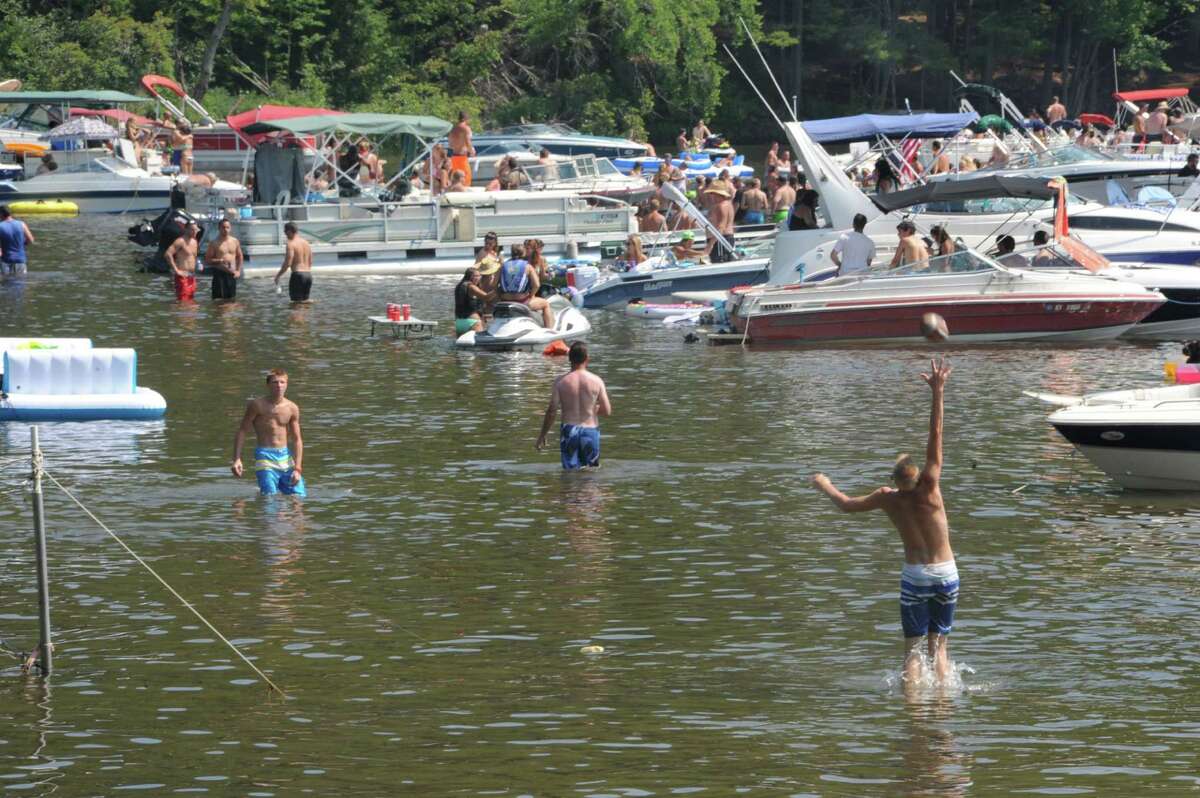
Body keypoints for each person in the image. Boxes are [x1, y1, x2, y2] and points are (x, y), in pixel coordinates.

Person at [811, 357, 957, 684]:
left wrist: (824, 484)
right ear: (919, 475)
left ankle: (914, 714)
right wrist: (938, 391)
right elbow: (936, 434)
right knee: (939, 648)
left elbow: (846, 505)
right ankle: (943, 707)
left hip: (915, 576)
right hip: (946, 572)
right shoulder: (930, 489)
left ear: (892, 479)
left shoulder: (887, 499)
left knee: (912, 651)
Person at [536, 341, 612, 470]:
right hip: (590, 430)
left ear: (569, 358)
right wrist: (592, 409)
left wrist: (542, 435)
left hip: (569, 431)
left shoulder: (560, 382)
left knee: (569, 473)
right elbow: (607, 411)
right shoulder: (597, 381)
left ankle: (570, 490)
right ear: (587, 359)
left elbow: (551, 411)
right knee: (591, 472)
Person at [231, 368, 306, 497]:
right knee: (270, 498)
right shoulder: (257, 405)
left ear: (287, 384)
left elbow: (297, 439)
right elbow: (242, 431)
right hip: (265, 456)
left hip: (285, 457)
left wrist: (298, 468)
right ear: (268, 385)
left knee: (298, 497)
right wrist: (237, 459)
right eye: (275, 382)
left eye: (282, 382)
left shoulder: (292, 408)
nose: (279, 386)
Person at [498, 243, 553, 328]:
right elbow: (537, 285)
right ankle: (550, 331)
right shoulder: (527, 266)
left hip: (505, 301)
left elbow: (495, 285)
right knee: (545, 304)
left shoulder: (503, 266)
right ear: (523, 253)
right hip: (522, 301)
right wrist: (531, 295)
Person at [273, 222, 314, 301]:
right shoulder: (306, 243)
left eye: (285, 232)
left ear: (289, 231)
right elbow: (310, 260)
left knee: (296, 305)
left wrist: (278, 275)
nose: (285, 234)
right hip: (308, 275)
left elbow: (288, 262)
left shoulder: (291, 244)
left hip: (298, 275)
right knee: (305, 302)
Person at [204, 217, 243, 300]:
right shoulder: (214, 243)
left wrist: (238, 271)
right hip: (220, 274)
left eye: (227, 227)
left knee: (231, 300)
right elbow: (207, 260)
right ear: (219, 228)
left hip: (232, 274)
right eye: (223, 227)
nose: (225, 229)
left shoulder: (235, 241)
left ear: (230, 228)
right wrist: (220, 260)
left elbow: (240, 256)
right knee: (220, 302)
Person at [163, 219, 199, 300]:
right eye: (192, 229)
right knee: (183, 302)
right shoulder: (180, 241)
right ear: (186, 229)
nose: (194, 232)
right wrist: (176, 270)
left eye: (196, 229)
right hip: (182, 277)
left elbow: (192, 258)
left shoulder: (195, 241)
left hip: (192, 277)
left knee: (191, 302)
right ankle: (178, 312)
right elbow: (168, 254)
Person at [0, 205, 34, 278]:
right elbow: (31, 240)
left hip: (6, 261)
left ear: (1, 214)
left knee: (7, 284)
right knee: (20, 283)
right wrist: (22, 243)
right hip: (20, 260)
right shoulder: (22, 224)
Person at [455, 267, 492, 334]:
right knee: (479, 343)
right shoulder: (471, 287)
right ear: (470, 277)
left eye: (479, 275)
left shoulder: (459, 286)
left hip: (459, 321)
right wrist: (498, 289)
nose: (479, 278)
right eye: (477, 276)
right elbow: (486, 297)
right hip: (473, 321)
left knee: (462, 343)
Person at [448, 110, 475, 186]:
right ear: (466, 118)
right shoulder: (466, 128)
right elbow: (467, 142)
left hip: (454, 157)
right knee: (466, 179)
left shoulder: (453, 129)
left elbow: (450, 144)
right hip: (462, 157)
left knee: (455, 179)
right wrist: (471, 150)